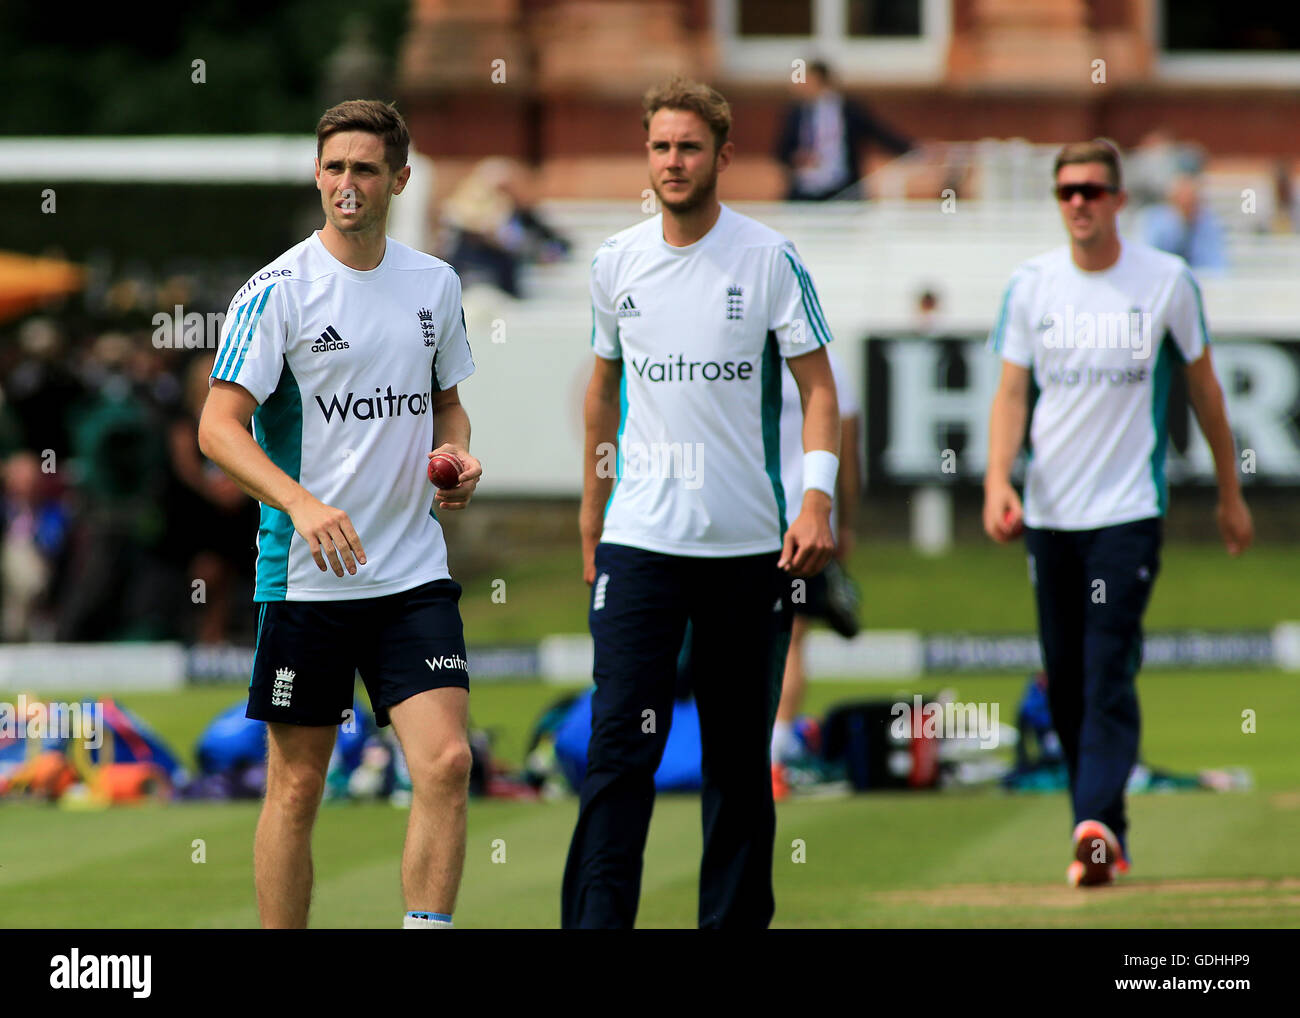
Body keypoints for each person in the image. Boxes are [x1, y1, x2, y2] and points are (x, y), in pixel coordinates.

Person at [564, 77, 841, 929]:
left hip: (749, 552)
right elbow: (602, 390)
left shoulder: (768, 259)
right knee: (619, 754)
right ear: (645, 156)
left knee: (735, 763)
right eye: (659, 147)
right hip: (640, 546)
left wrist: (817, 501)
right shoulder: (617, 262)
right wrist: (591, 513)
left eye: (688, 147)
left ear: (722, 155)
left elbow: (821, 391)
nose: (672, 162)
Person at [198, 99, 481, 929]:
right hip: (306, 580)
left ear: (399, 177)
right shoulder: (278, 289)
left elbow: (448, 406)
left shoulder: (435, 282)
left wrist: (458, 460)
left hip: (411, 573)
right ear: (317, 176)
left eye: (364, 168)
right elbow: (218, 426)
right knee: (296, 786)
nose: (347, 184)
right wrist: (301, 502)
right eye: (333, 167)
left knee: (449, 763)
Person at [983, 139, 1253, 887]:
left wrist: (1231, 494)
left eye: (1093, 190)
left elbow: (1205, 392)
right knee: (1065, 678)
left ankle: (1092, 825)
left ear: (1118, 199)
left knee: (1106, 666)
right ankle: (1104, 827)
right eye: (1067, 190)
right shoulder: (1031, 285)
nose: (1079, 202)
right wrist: (995, 483)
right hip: (1048, 514)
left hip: (1127, 512)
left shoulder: (1165, 280)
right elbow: (1010, 395)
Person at [770, 350, 861, 773]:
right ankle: (778, 743)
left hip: (748, 520)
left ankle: (755, 744)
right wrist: (847, 524)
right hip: (804, 522)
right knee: (791, 639)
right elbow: (848, 454)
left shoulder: (739, 357)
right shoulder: (831, 367)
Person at [775, 60, 911, 201]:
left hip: (842, 188)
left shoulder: (848, 110)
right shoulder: (796, 112)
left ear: (820, 80)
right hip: (805, 190)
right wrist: (796, 158)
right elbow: (782, 150)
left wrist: (912, 149)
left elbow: (880, 133)